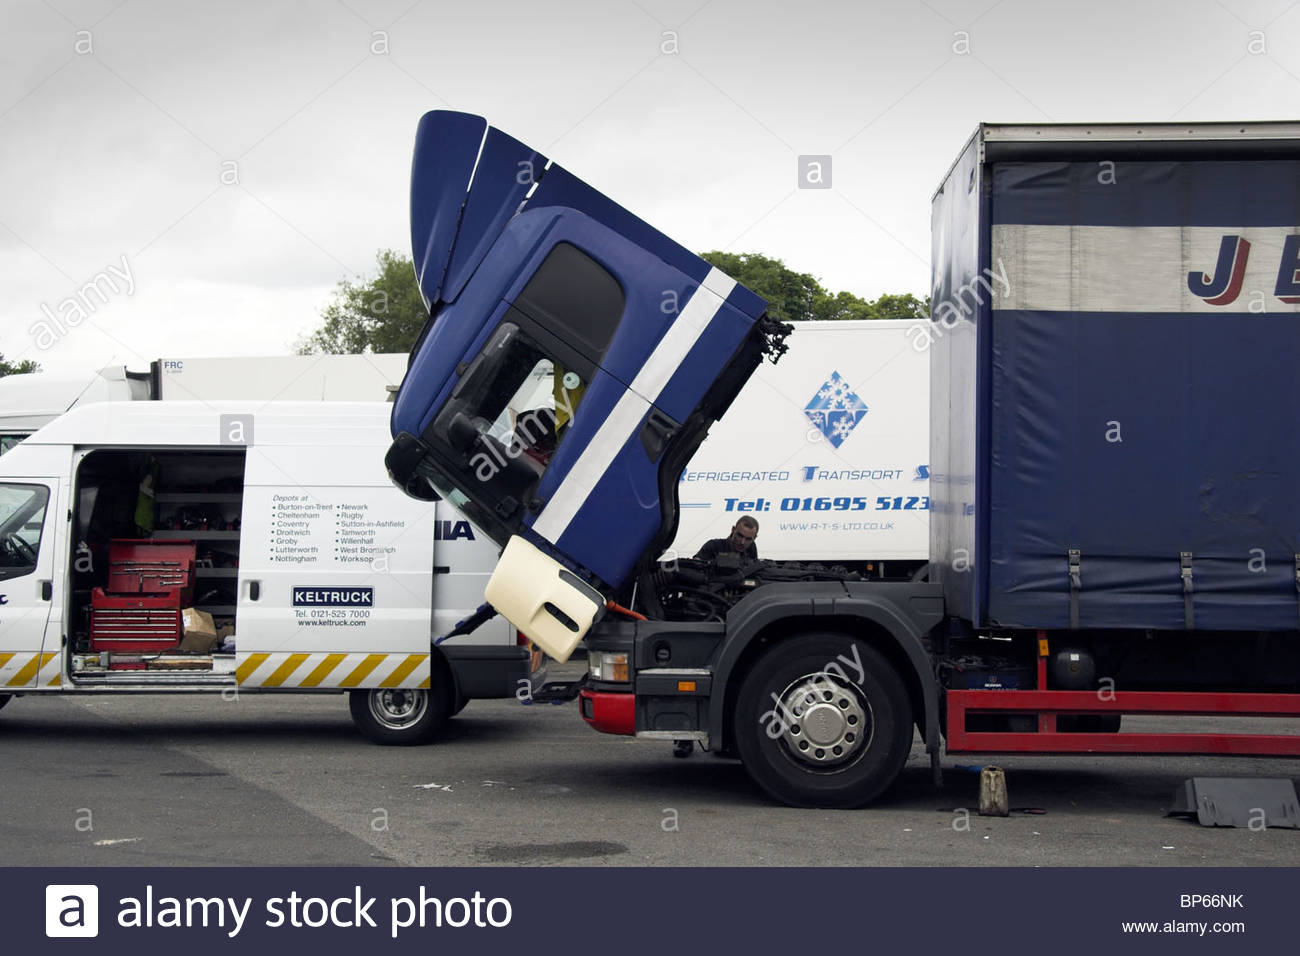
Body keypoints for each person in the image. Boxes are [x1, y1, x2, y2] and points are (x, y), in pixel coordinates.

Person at [694, 516, 759, 562]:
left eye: (748, 539)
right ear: (733, 530)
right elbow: (694, 566)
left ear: (754, 538)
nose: (742, 542)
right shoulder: (713, 546)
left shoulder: (751, 547)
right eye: (740, 536)